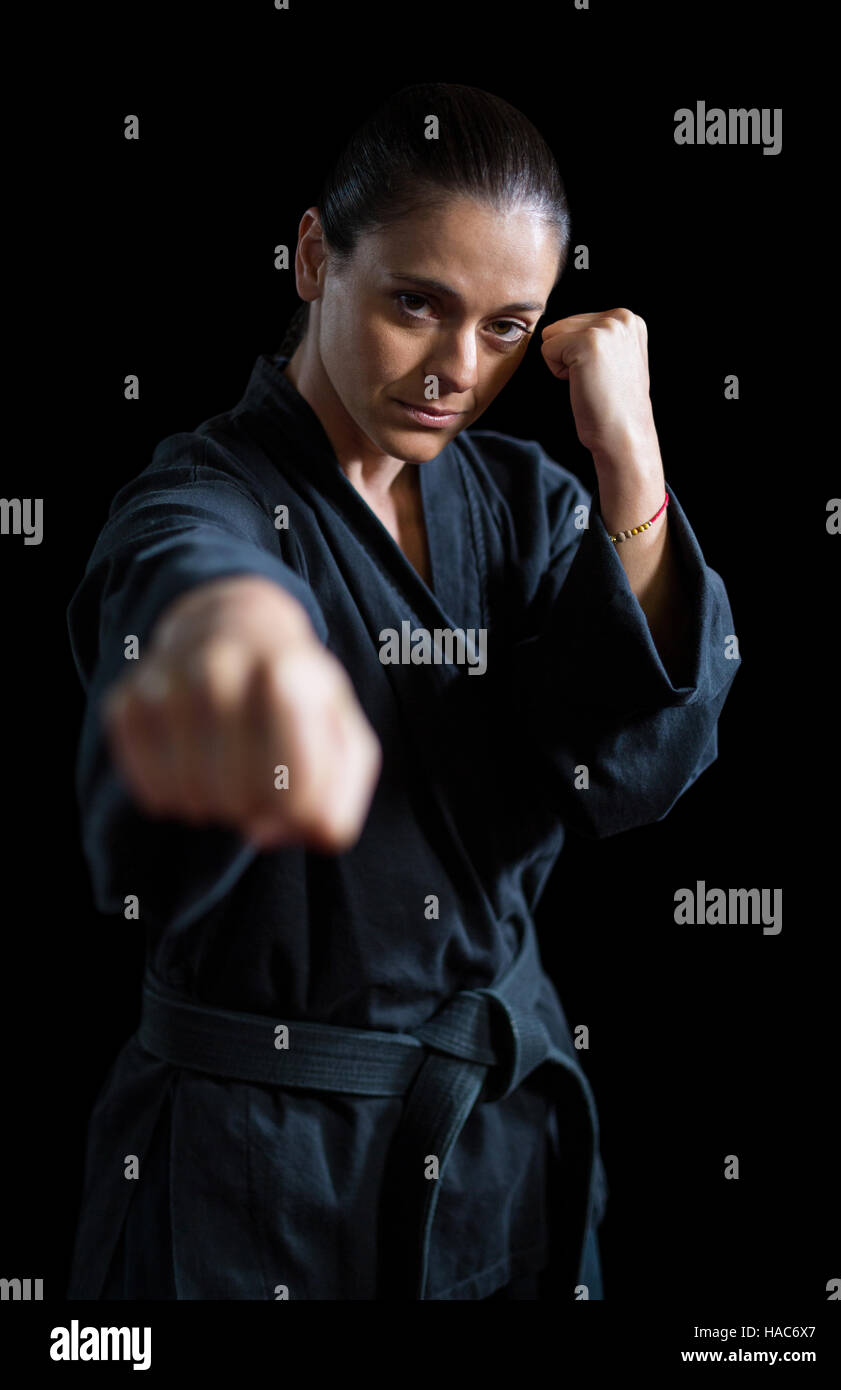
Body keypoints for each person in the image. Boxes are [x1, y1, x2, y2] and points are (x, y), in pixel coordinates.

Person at [66, 82, 739, 1301]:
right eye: (418, 304)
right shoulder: (208, 493)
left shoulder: (527, 501)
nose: (454, 371)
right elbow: (189, 569)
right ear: (316, 255)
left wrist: (627, 454)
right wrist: (242, 638)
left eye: (503, 328)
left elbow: (636, 766)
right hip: (258, 1180)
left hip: (491, 1149)